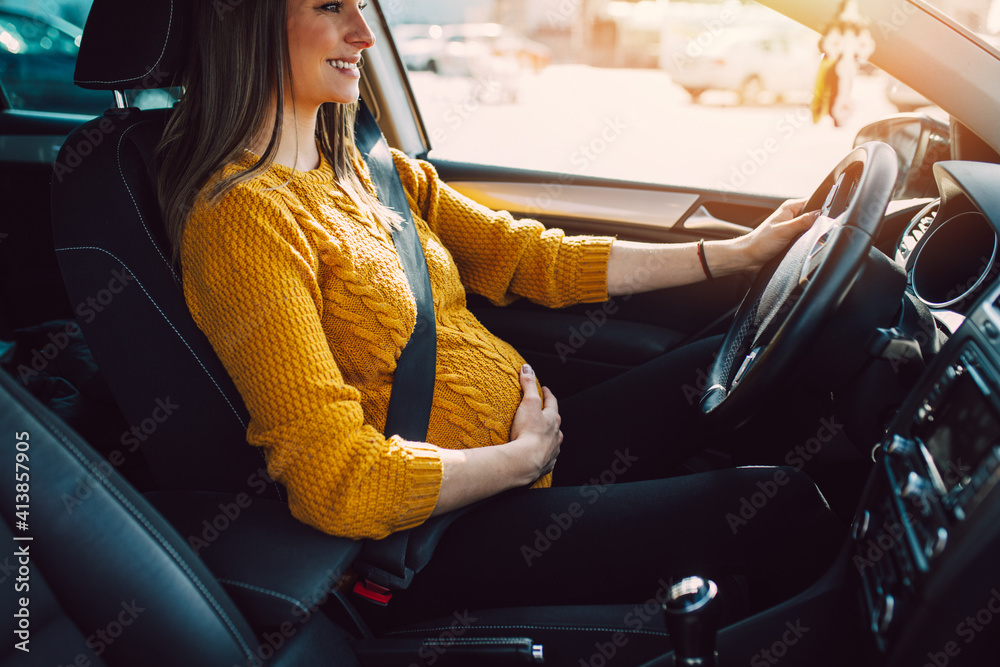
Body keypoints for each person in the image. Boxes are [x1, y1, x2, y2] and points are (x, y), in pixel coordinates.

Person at [157, 0, 841, 617]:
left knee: (746, 363)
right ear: (247, 24)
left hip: (524, 456)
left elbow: (525, 257)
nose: (363, 34)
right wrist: (519, 459)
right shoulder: (242, 219)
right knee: (777, 506)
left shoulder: (367, 164)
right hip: (437, 534)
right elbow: (335, 483)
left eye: (361, 7)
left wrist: (734, 254)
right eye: (331, 7)